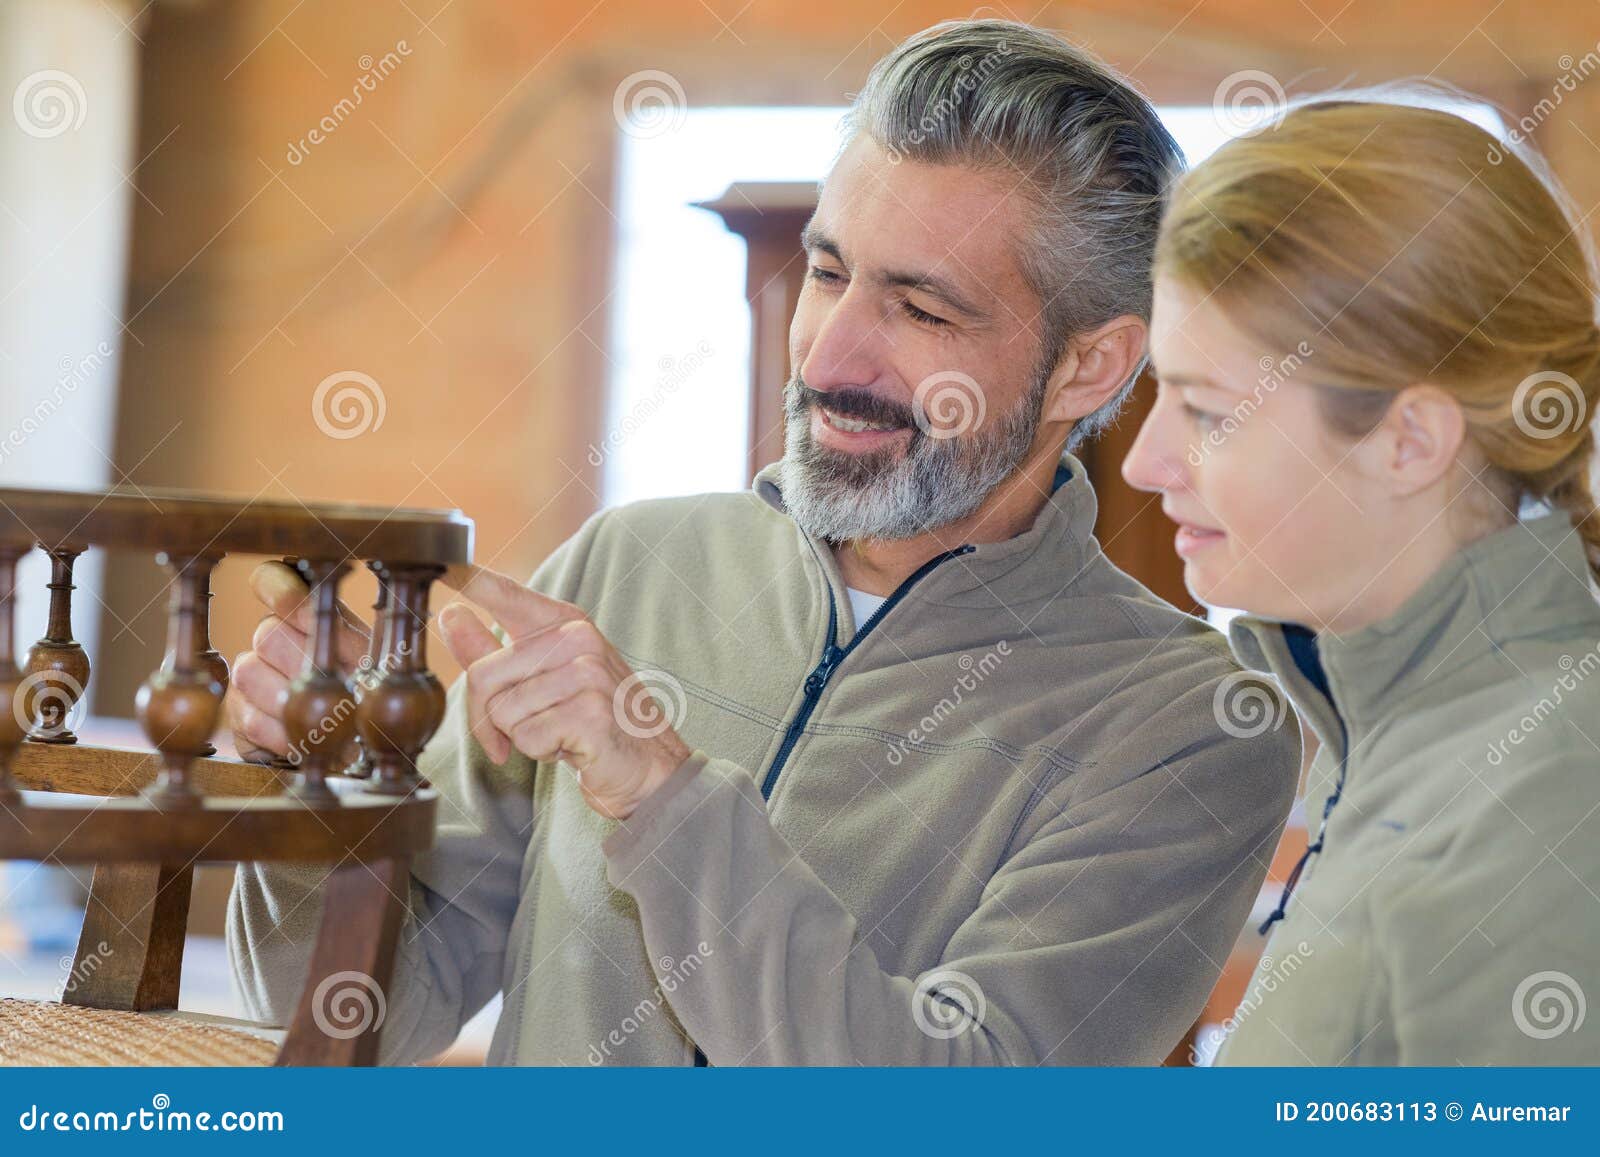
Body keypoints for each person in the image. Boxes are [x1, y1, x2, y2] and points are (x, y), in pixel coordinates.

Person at [225, 18, 1301, 1066]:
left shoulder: (1189, 728)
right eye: (829, 273)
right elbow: (354, 1019)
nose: (830, 354)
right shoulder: (626, 569)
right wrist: (316, 793)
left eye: (920, 309)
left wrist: (662, 798)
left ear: (1090, 367)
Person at [1124, 93, 1600, 1064]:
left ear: (1408, 439)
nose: (1143, 461)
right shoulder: (1382, 732)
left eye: (1205, 410)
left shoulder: (1545, 801)